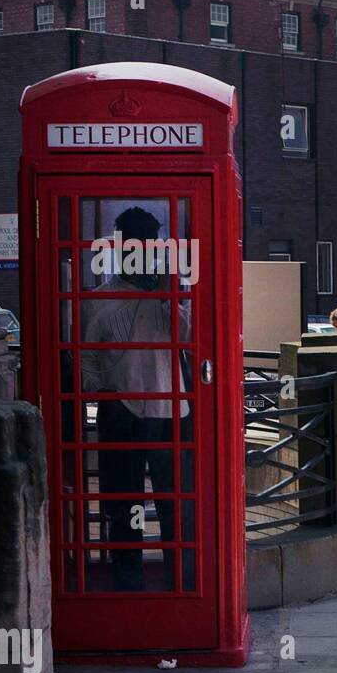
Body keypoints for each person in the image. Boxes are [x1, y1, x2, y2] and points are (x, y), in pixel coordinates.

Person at [81, 206, 194, 592]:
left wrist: (166, 292)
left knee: (173, 499)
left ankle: (181, 573)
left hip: (169, 406)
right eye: (134, 245)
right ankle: (128, 572)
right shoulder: (98, 298)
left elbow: (189, 337)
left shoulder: (173, 293)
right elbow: (84, 353)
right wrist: (100, 391)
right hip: (122, 409)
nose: (141, 254)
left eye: (148, 245)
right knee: (123, 496)